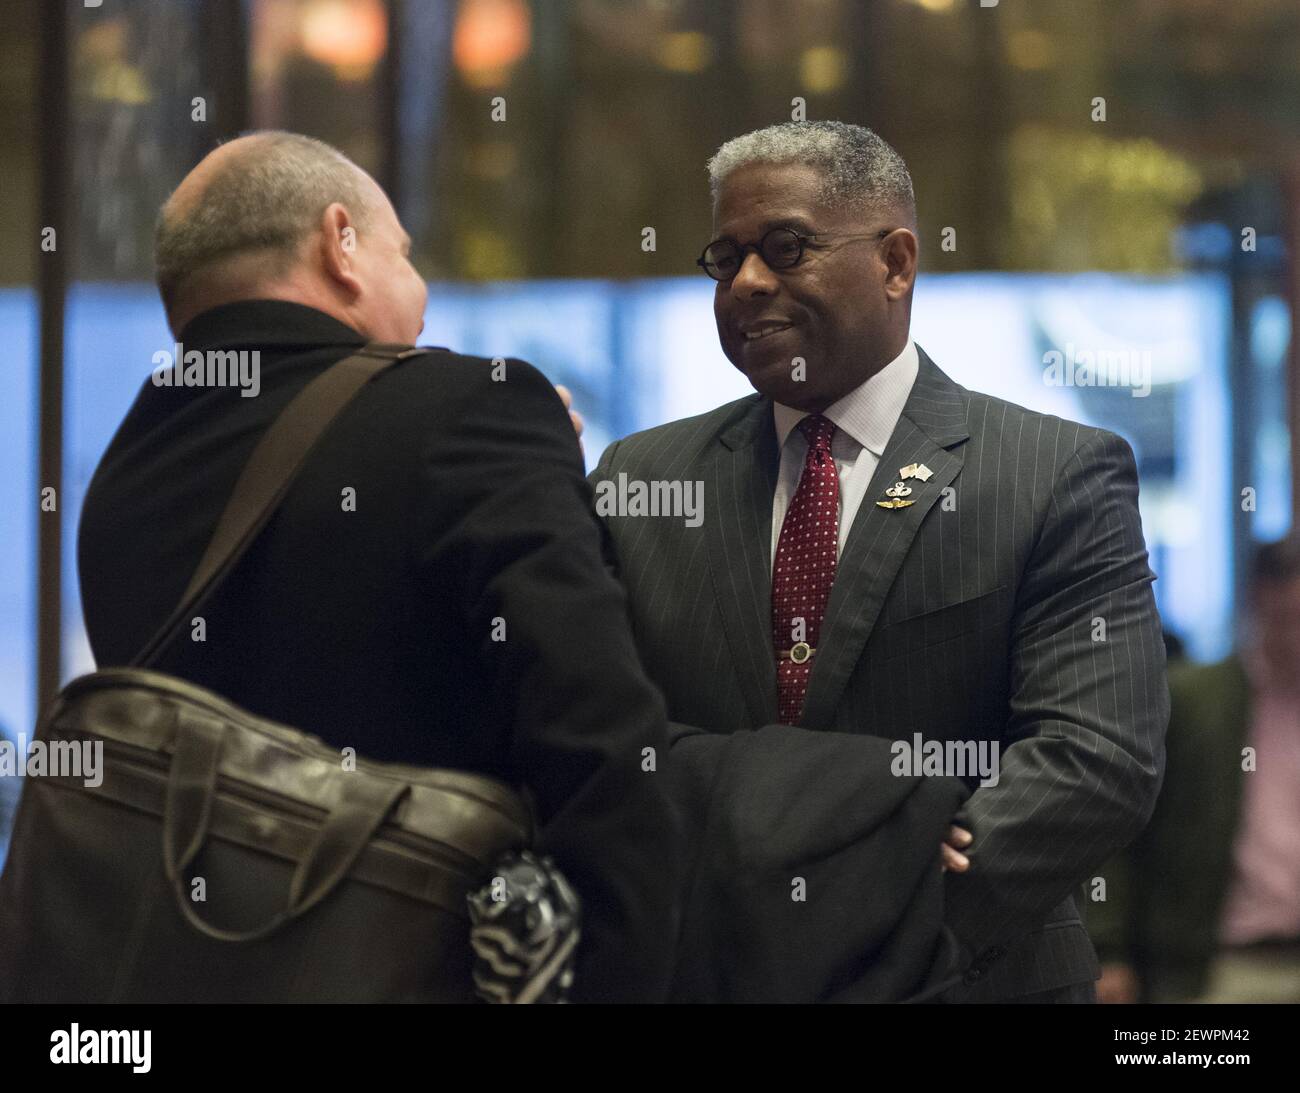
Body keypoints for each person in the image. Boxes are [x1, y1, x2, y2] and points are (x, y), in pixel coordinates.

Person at [76, 131, 683, 1003]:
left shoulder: (123, 477)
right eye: (405, 252)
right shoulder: (475, 407)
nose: (424, 298)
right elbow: (598, 738)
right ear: (341, 243)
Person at [590, 120, 1169, 1003]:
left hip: (965, 972)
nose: (746, 283)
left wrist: (865, 918)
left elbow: (1093, 759)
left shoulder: (1050, 472)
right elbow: (605, 744)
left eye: (786, 248)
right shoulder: (642, 478)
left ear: (897, 261)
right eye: (726, 257)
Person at [1090, 537, 1300, 1004]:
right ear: (1262, 599)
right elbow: (1118, 828)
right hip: (1221, 966)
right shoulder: (1190, 701)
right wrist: (1107, 950)